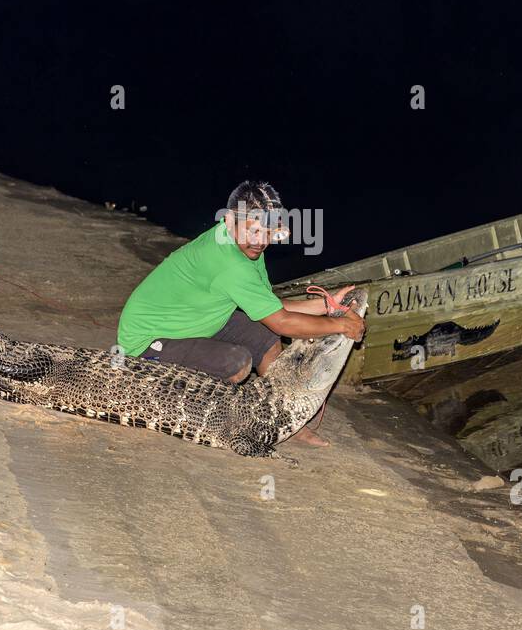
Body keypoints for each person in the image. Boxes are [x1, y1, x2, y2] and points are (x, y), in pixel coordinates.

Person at [117, 181, 364, 445]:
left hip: (194, 321)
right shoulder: (230, 263)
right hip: (146, 343)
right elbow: (283, 322)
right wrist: (341, 326)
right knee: (236, 363)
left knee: (264, 335)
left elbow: (269, 306)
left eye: (268, 232)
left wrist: (326, 305)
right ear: (229, 220)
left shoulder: (245, 246)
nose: (261, 241)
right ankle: (209, 420)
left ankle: (284, 418)